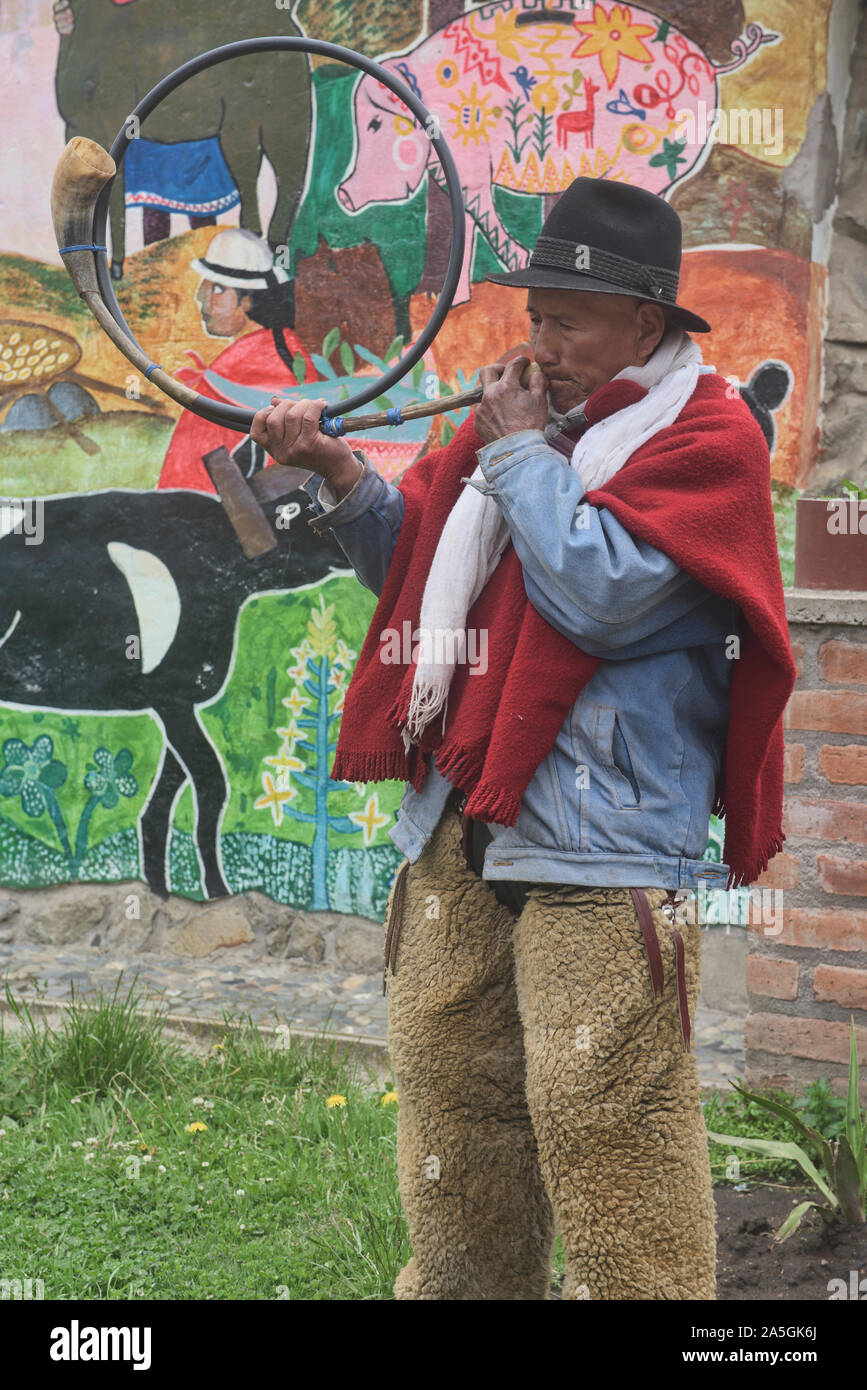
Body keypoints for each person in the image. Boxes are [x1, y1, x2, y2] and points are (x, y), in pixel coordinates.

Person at [250, 178, 796, 1301]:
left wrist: (511, 454)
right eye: (534, 314)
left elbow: (593, 592)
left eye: (568, 319)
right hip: (463, 815)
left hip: (603, 842)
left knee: (609, 1126)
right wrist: (344, 478)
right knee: (456, 1116)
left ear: (646, 324)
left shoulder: (706, 439)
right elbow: (429, 575)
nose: (539, 343)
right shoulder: (529, 432)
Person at [157, 228, 319, 493]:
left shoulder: (241, 366)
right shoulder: (288, 350)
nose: (201, 298)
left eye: (217, 289)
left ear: (246, 301)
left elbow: (190, 475)